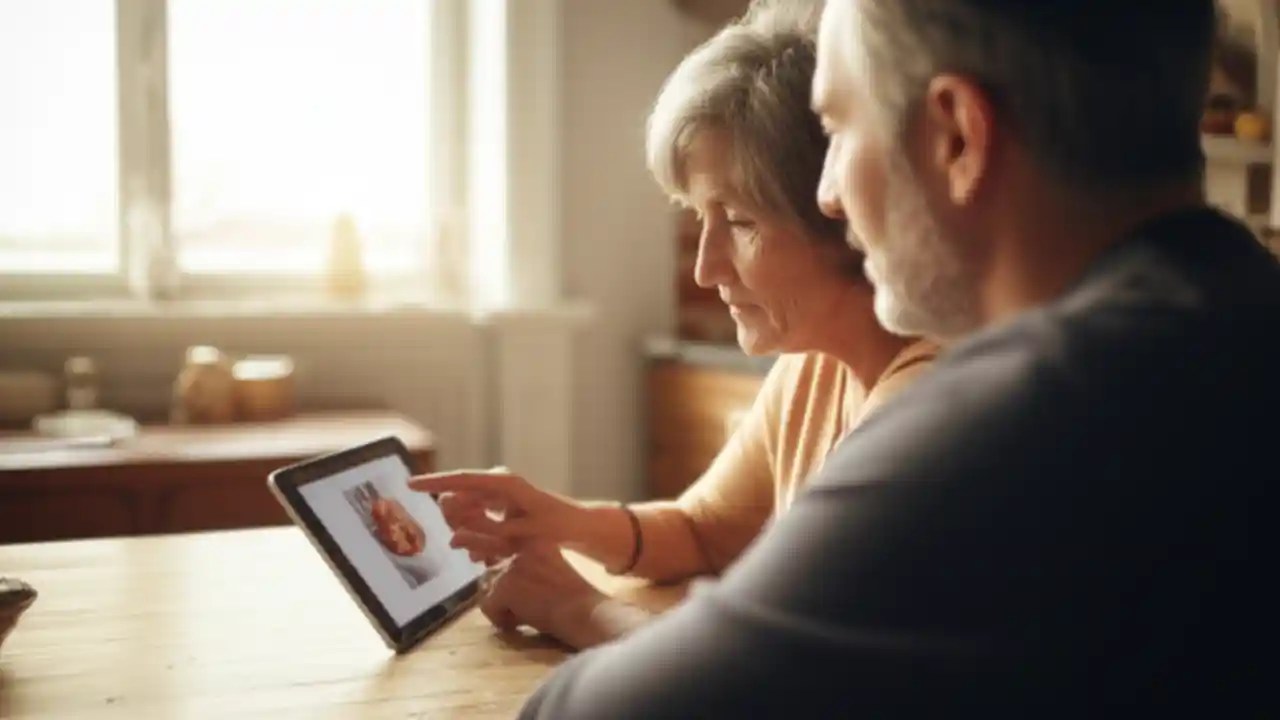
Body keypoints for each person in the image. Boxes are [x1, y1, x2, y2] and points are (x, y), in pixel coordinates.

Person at [506, 0, 1280, 716]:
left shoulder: (1023, 423)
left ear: (957, 139)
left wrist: (574, 614)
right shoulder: (1233, 314)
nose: (831, 194)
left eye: (839, 128)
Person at [411, 2, 937, 650]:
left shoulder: (922, 403)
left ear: (838, 210)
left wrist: (577, 609)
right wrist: (557, 520)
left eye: (740, 221)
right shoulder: (815, 361)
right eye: (697, 215)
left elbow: (770, 678)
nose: (705, 268)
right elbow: (701, 532)